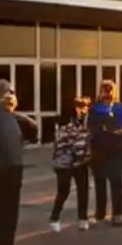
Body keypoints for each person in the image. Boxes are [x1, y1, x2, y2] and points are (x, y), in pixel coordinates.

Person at [0, 80, 32, 245]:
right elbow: (8, 144)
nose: (12, 95)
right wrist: (14, 164)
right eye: (8, 92)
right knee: (8, 208)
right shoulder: (5, 117)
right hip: (6, 167)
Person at [88, 79, 122, 227]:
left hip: (116, 150)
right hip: (99, 149)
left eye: (110, 90)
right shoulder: (95, 109)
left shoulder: (120, 109)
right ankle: (100, 213)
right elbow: (91, 129)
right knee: (100, 182)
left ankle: (117, 214)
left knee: (116, 181)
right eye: (105, 90)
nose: (108, 93)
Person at [48, 97, 91, 232]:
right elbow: (78, 146)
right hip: (74, 163)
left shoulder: (60, 126)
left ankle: (55, 218)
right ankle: (82, 219)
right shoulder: (73, 127)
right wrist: (88, 156)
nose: (84, 111)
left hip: (61, 164)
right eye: (81, 108)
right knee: (78, 190)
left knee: (64, 191)